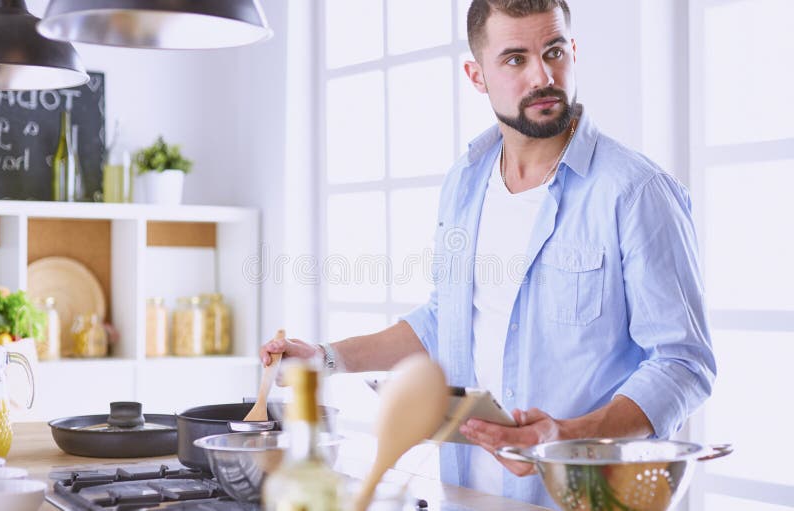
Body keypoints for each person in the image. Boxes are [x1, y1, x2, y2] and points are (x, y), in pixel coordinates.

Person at [261, 0, 716, 507]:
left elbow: (683, 364)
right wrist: (324, 359)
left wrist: (567, 437)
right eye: (515, 59)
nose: (543, 75)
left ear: (573, 50)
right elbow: (445, 322)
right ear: (477, 75)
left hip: (581, 499)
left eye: (554, 51)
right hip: (466, 494)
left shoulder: (636, 192)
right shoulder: (466, 181)